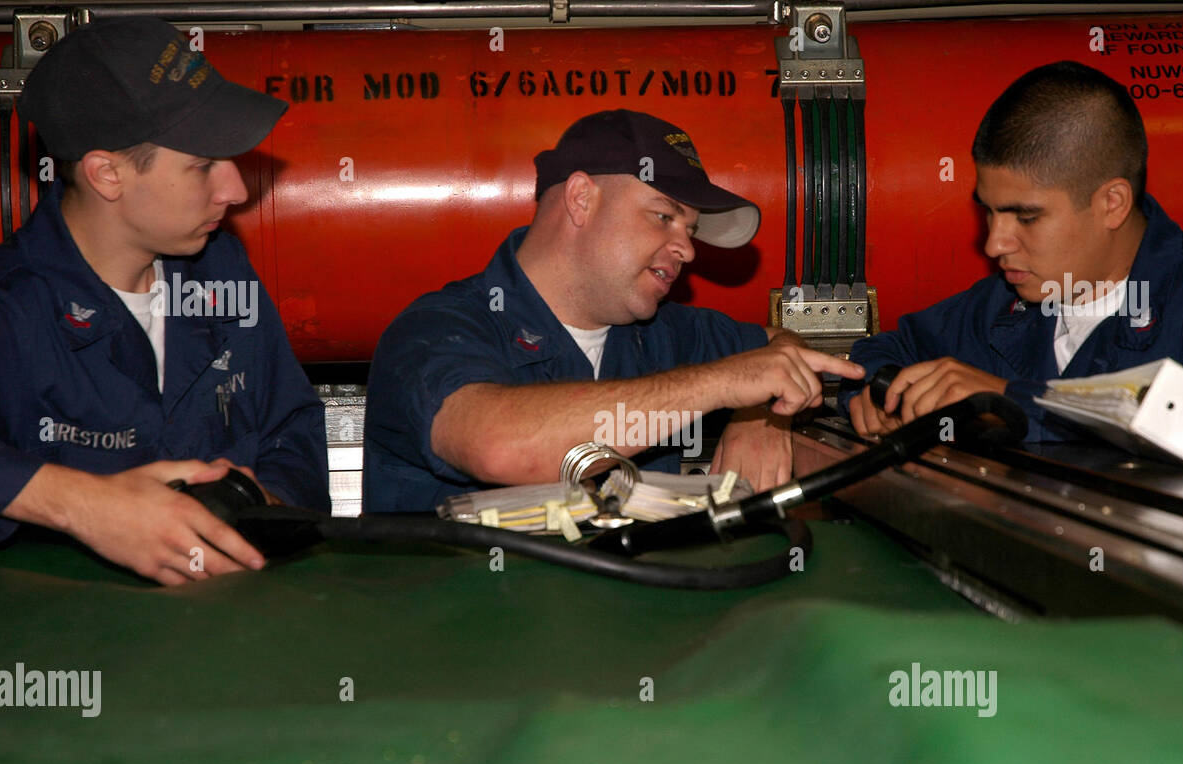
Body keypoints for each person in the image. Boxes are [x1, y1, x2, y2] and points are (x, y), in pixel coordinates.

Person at [364, 109, 862, 512]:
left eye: (689, 231)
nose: (687, 250)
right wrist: (724, 384)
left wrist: (761, 416)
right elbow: (498, 445)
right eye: (664, 216)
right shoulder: (437, 329)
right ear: (581, 199)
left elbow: (782, 346)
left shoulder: (661, 332)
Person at [0, 17, 328, 585]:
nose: (237, 190)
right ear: (107, 174)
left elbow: (291, 432)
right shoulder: (14, 311)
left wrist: (257, 504)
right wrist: (84, 504)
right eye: (203, 166)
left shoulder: (222, 274)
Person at [839, 60, 1183, 441]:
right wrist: (880, 397)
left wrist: (1013, 401)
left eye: (1026, 217)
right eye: (989, 212)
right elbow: (876, 356)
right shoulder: (1005, 307)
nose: (994, 243)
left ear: (1111, 203)